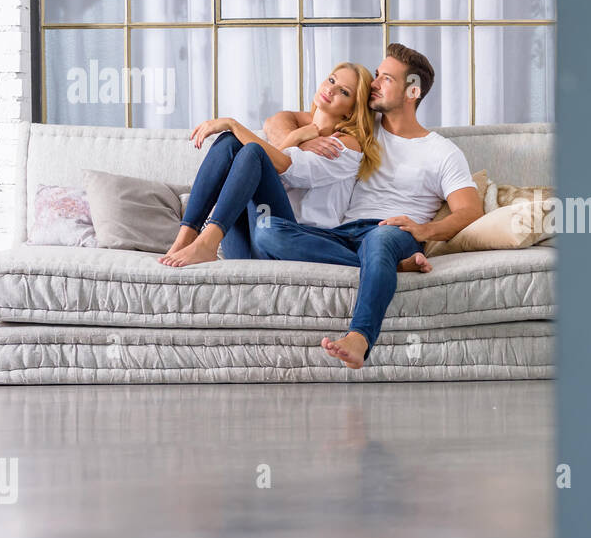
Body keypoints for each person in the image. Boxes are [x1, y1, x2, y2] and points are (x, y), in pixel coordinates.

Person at [262, 43, 483, 370]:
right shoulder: (362, 126)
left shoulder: (442, 152)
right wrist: (306, 138)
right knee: (268, 232)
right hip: (343, 232)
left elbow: (470, 211)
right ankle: (394, 267)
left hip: (392, 231)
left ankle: (359, 337)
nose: (374, 83)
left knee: (379, 240)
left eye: (386, 79)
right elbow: (278, 119)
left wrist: (425, 230)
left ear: (412, 91)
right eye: (378, 74)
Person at [159, 62, 388, 267]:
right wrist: (296, 137)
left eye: (344, 92)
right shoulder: (305, 131)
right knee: (229, 142)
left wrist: (232, 123)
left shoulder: (346, 145)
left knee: (250, 149)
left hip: (286, 240)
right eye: (331, 80)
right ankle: (185, 238)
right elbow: (273, 148)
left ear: (351, 110)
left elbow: (284, 167)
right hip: (247, 241)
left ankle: (207, 242)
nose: (331, 89)